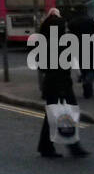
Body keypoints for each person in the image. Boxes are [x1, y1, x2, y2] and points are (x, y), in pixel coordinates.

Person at [36, 8, 88, 158]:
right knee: (69, 111)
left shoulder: (44, 37)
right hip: (61, 81)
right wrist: (78, 74)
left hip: (51, 80)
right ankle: (72, 146)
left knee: (52, 114)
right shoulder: (61, 40)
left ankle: (47, 146)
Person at [67, 3, 94, 99]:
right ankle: (88, 83)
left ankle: (86, 87)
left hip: (77, 46)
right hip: (90, 45)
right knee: (91, 68)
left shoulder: (72, 22)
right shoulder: (89, 20)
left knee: (83, 67)